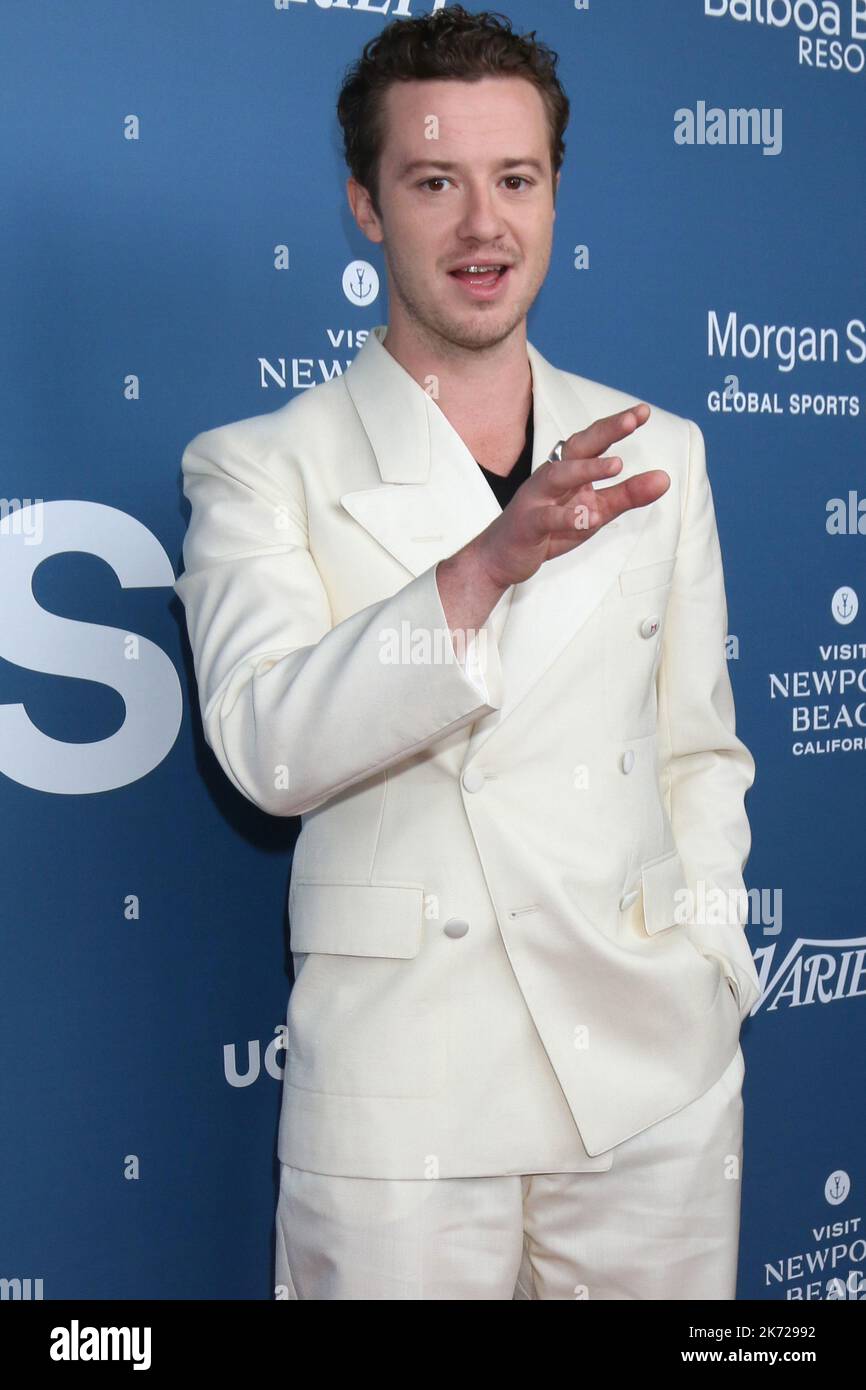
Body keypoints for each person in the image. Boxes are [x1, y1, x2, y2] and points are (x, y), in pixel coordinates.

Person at [174, 5, 761, 1299]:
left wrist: (717, 963)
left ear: (555, 197)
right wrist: (477, 571)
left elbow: (699, 751)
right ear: (365, 205)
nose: (482, 225)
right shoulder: (260, 466)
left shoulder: (661, 453)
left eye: (515, 180)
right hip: (403, 1101)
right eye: (434, 181)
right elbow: (269, 748)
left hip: (653, 1080)